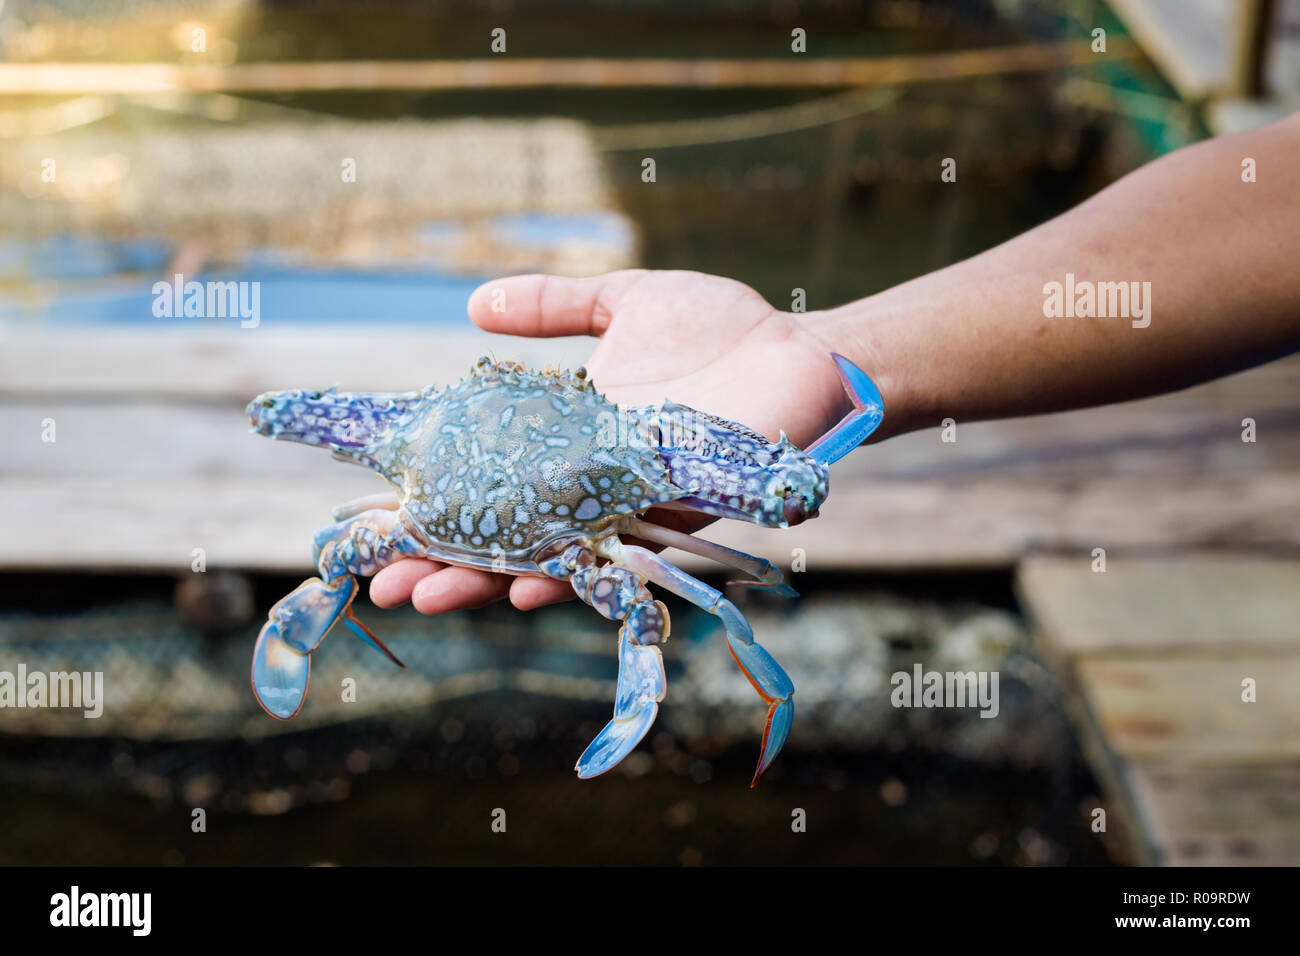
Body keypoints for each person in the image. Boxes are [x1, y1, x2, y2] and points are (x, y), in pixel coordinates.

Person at [371, 109, 1300, 616]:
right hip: (599, 525)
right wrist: (817, 353)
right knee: (686, 605)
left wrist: (816, 353)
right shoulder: (640, 453)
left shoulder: (386, 496)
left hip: (448, 517)